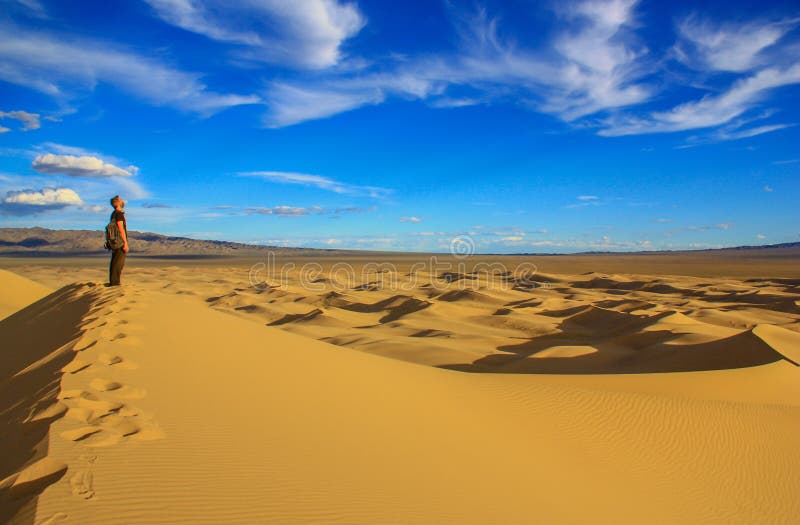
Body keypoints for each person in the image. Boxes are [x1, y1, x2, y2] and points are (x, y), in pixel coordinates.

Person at [108, 195, 129, 286]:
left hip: (114, 242)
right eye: (120, 200)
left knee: (115, 261)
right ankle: (115, 283)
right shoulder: (119, 214)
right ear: (119, 203)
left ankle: (113, 282)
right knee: (118, 263)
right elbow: (121, 229)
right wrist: (125, 243)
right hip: (119, 242)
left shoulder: (113, 214)